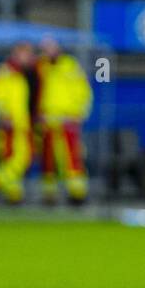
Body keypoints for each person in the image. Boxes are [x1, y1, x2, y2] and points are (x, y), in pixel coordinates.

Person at [35, 36, 92, 204]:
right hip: (47, 121)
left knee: (71, 157)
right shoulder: (41, 67)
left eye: (50, 47)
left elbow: (83, 91)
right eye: (45, 48)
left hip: (68, 120)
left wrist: (79, 113)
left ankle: (77, 193)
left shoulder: (70, 66)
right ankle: (49, 194)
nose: (48, 51)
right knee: (48, 159)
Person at [0, 42, 35, 203]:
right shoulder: (4, 72)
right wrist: (3, 114)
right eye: (26, 53)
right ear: (16, 53)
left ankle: (12, 193)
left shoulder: (21, 74)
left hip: (20, 125)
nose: (29, 57)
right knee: (14, 158)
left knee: (20, 158)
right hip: (8, 125)